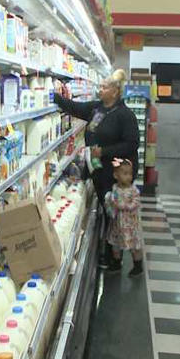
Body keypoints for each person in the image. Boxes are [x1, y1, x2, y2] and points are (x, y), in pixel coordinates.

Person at [54, 69, 140, 270]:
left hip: (116, 173)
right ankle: (112, 251)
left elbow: (132, 144)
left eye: (104, 87)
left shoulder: (125, 115)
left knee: (115, 213)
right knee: (107, 209)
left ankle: (115, 258)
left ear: (115, 91)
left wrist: (105, 151)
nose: (99, 89)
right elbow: (75, 107)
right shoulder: (97, 109)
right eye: (99, 86)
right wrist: (55, 96)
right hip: (99, 171)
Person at [104, 159, 143, 277]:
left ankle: (137, 265)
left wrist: (124, 206)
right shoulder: (115, 188)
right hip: (117, 224)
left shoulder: (133, 190)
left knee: (133, 246)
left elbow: (136, 203)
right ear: (116, 175)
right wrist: (110, 201)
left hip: (130, 225)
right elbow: (112, 200)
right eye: (125, 174)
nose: (128, 177)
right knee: (115, 245)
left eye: (130, 174)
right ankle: (117, 262)